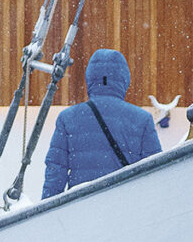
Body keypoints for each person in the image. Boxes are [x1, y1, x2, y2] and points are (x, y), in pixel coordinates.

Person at [42, 48, 162, 196]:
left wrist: (49, 211)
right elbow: (156, 173)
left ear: (91, 78)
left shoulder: (68, 118)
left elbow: (55, 172)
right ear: (124, 78)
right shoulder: (142, 119)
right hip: (127, 207)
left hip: (81, 207)